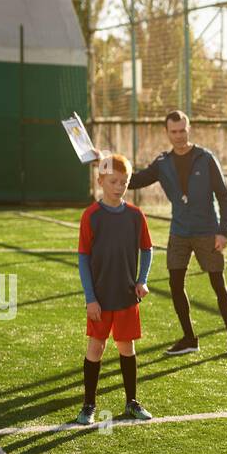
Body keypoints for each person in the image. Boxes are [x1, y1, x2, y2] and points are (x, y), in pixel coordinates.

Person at [128, 110, 227, 356]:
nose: (179, 136)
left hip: (208, 231)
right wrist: (107, 164)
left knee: (218, 284)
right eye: (173, 132)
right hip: (179, 231)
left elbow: (224, 196)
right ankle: (190, 339)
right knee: (175, 284)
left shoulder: (206, 158)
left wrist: (223, 232)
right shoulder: (162, 163)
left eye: (182, 130)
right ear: (166, 132)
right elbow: (134, 180)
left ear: (189, 129)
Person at [75, 153, 153, 426]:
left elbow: (147, 249)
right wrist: (90, 298)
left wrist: (142, 279)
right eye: (113, 181)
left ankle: (131, 402)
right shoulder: (91, 216)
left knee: (126, 347)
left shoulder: (135, 215)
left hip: (126, 296)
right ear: (100, 181)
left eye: (124, 181)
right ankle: (88, 405)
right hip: (99, 298)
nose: (119, 187)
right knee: (95, 348)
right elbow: (83, 258)